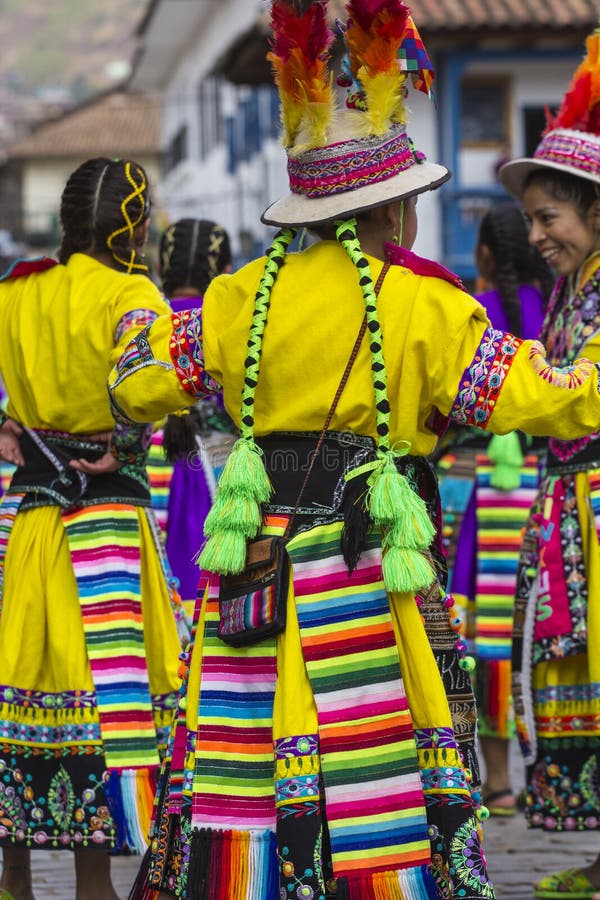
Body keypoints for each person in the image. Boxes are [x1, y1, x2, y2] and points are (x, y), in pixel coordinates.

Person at [110, 3, 600, 898]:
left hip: (253, 578)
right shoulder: (428, 305)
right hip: (368, 571)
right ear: (398, 207)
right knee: (378, 784)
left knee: (242, 768)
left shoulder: (234, 299)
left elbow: (135, 379)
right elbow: (552, 400)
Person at [0, 157, 187, 900]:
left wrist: (10, 423)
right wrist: (131, 439)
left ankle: (12, 876)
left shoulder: (19, 289)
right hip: (104, 520)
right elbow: (153, 380)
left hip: (37, 516)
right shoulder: (133, 293)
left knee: (25, 678)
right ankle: (91, 884)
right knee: (103, 691)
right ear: (137, 226)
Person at [498, 27, 600, 900]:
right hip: (571, 504)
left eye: (549, 217)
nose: (536, 235)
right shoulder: (573, 288)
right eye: (532, 220)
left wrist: (503, 378)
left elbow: (583, 388)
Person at [437, 202, 553, 817]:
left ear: (483, 255)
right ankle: (545, 774)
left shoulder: (478, 320)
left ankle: (496, 780)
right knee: (529, 623)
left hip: (471, 491)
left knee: (476, 633)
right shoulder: (557, 311)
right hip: (536, 488)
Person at [147, 219, 237, 614]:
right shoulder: (231, 323)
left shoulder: (148, 323)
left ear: (161, 270)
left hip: (151, 471)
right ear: (224, 272)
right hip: (221, 475)